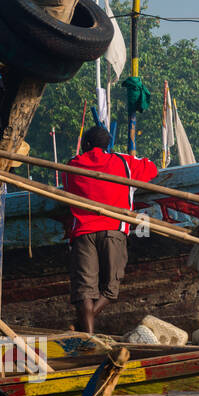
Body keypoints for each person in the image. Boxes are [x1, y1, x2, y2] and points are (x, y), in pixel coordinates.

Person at [63, 126, 158, 334]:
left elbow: (67, 187)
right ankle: (84, 326)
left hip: (83, 232)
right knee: (110, 288)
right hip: (114, 229)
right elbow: (151, 168)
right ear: (108, 145)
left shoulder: (72, 165)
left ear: (86, 144)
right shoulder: (123, 161)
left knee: (85, 290)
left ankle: (86, 332)